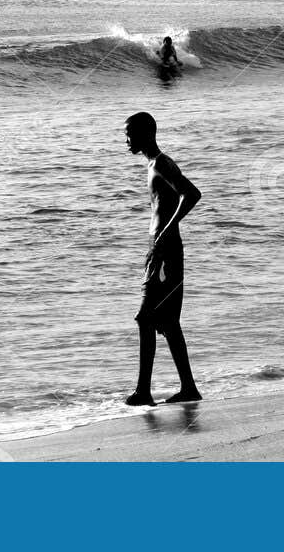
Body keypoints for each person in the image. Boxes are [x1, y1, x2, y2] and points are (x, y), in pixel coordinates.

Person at [123, 111, 202, 406]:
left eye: (129, 133)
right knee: (168, 322)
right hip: (161, 250)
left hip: (165, 252)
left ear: (146, 134)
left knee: (145, 318)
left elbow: (192, 194)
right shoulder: (153, 165)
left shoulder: (162, 164)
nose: (126, 139)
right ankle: (188, 388)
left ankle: (144, 391)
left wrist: (166, 232)